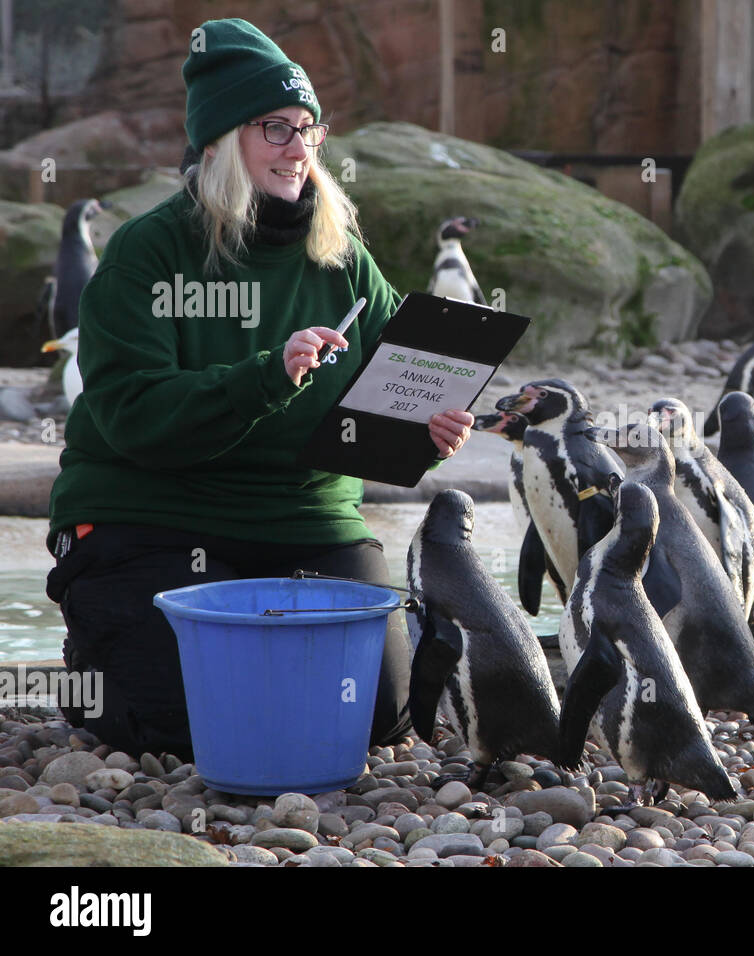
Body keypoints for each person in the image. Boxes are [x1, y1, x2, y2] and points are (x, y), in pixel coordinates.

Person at [44, 18, 473, 761]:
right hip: (153, 518)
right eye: (274, 128)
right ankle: (96, 652)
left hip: (301, 519)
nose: (299, 148)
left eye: (309, 129)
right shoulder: (148, 253)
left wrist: (423, 432)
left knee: (377, 716)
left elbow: (369, 422)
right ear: (219, 141)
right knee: (175, 729)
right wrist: (265, 377)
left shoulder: (341, 260)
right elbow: (134, 419)